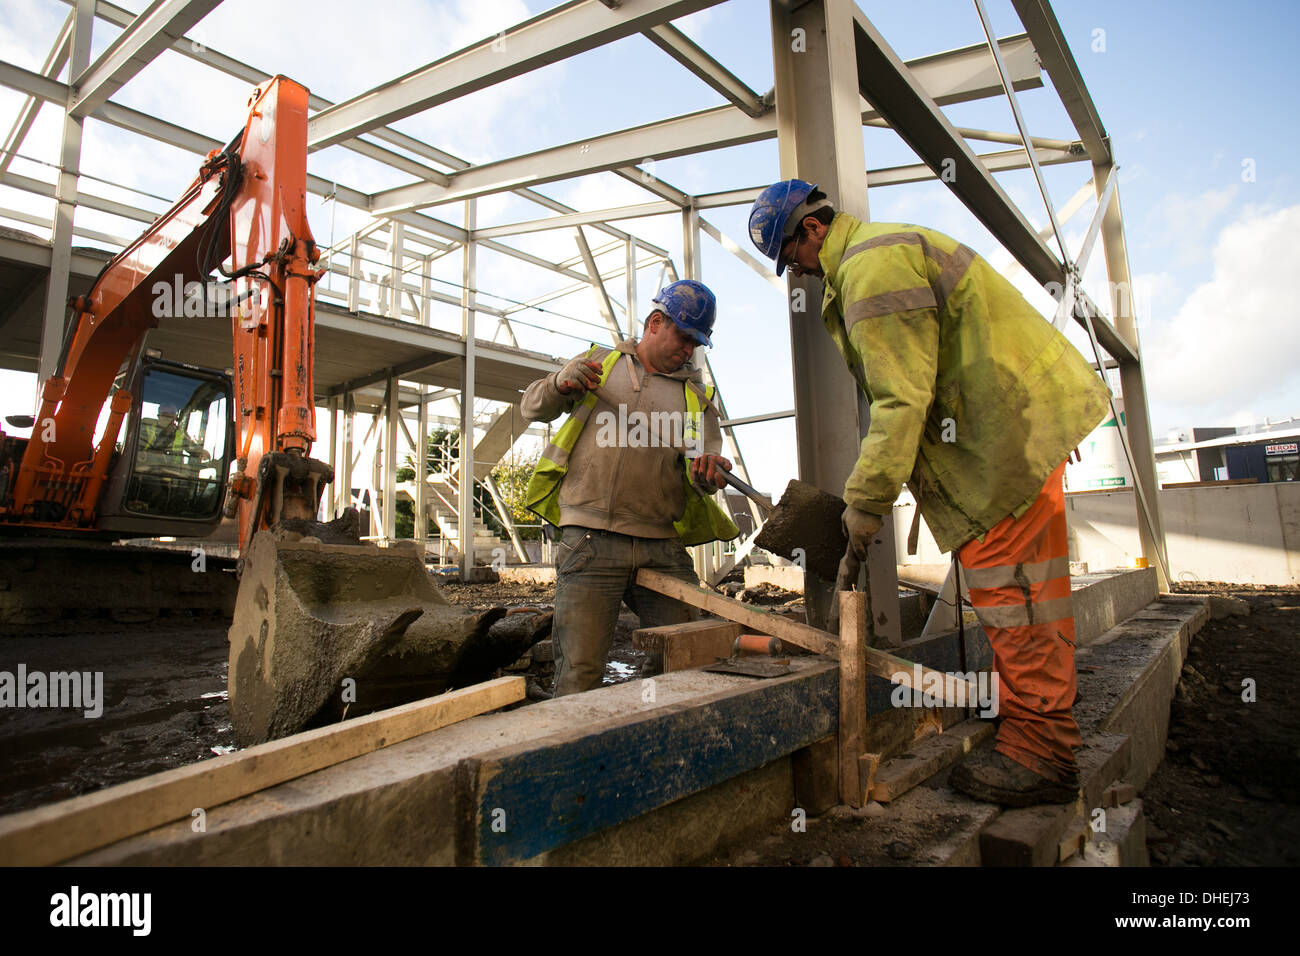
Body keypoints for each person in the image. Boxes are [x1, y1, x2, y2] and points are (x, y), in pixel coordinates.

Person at [748, 179, 1111, 807]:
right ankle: (1033, 722)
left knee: (1014, 596)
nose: (797, 275)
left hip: (997, 449)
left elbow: (901, 399)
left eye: (793, 257)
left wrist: (864, 502)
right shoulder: (882, 254)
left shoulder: (868, 269)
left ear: (811, 229)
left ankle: (1041, 753)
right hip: (1008, 436)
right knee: (1032, 599)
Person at [522, 280, 739, 696]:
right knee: (580, 674)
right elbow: (531, 407)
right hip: (589, 540)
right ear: (656, 323)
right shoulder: (597, 366)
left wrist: (707, 474)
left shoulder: (695, 398)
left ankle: (649, 739)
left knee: (682, 660)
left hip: (661, 547)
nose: (689, 350)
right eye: (685, 337)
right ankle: (576, 754)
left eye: (697, 343)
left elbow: (698, 474)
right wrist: (559, 383)